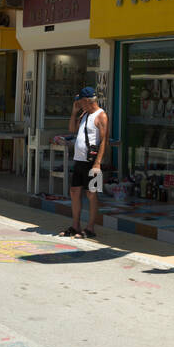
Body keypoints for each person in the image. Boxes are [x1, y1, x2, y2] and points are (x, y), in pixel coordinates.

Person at [64, 87, 108, 239]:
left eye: (81, 101)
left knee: (92, 193)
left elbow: (103, 141)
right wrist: (74, 113)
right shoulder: (84, 114)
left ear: (88, 101)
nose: (79, 104)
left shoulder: (101, 115)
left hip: (92, 162)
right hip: (79, 160)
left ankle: (90, 227)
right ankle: (76, 225)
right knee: (74, 191)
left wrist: (98, 163)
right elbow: (71, 129)